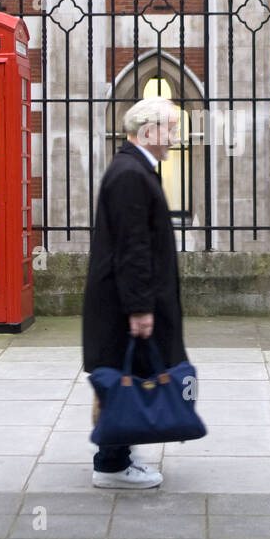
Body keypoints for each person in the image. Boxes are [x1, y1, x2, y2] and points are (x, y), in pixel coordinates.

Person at [82, 96, 189, 489]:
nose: (174, 138)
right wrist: (140, 308)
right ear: (149, 131)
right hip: (124, 303)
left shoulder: (134, 168)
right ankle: (111, 465)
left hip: (125, 301)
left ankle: (118, 457)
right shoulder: (131, 173)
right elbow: (133, 247)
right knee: (121, 378)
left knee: (126, 375)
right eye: (170, 129)